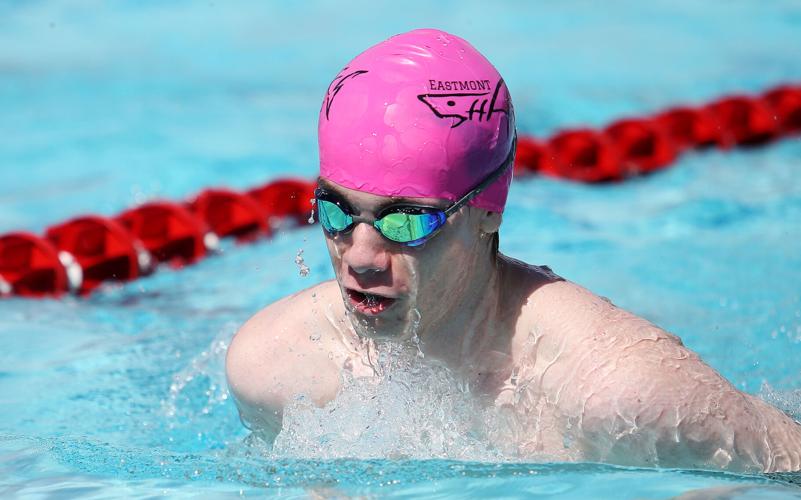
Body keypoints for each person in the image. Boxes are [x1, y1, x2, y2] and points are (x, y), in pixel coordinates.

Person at [225, 29, 801, 472]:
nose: (361, 256)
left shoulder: (618, 395)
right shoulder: (274, 367)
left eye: (405, 221)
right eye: (336, 211)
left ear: (489, 210)